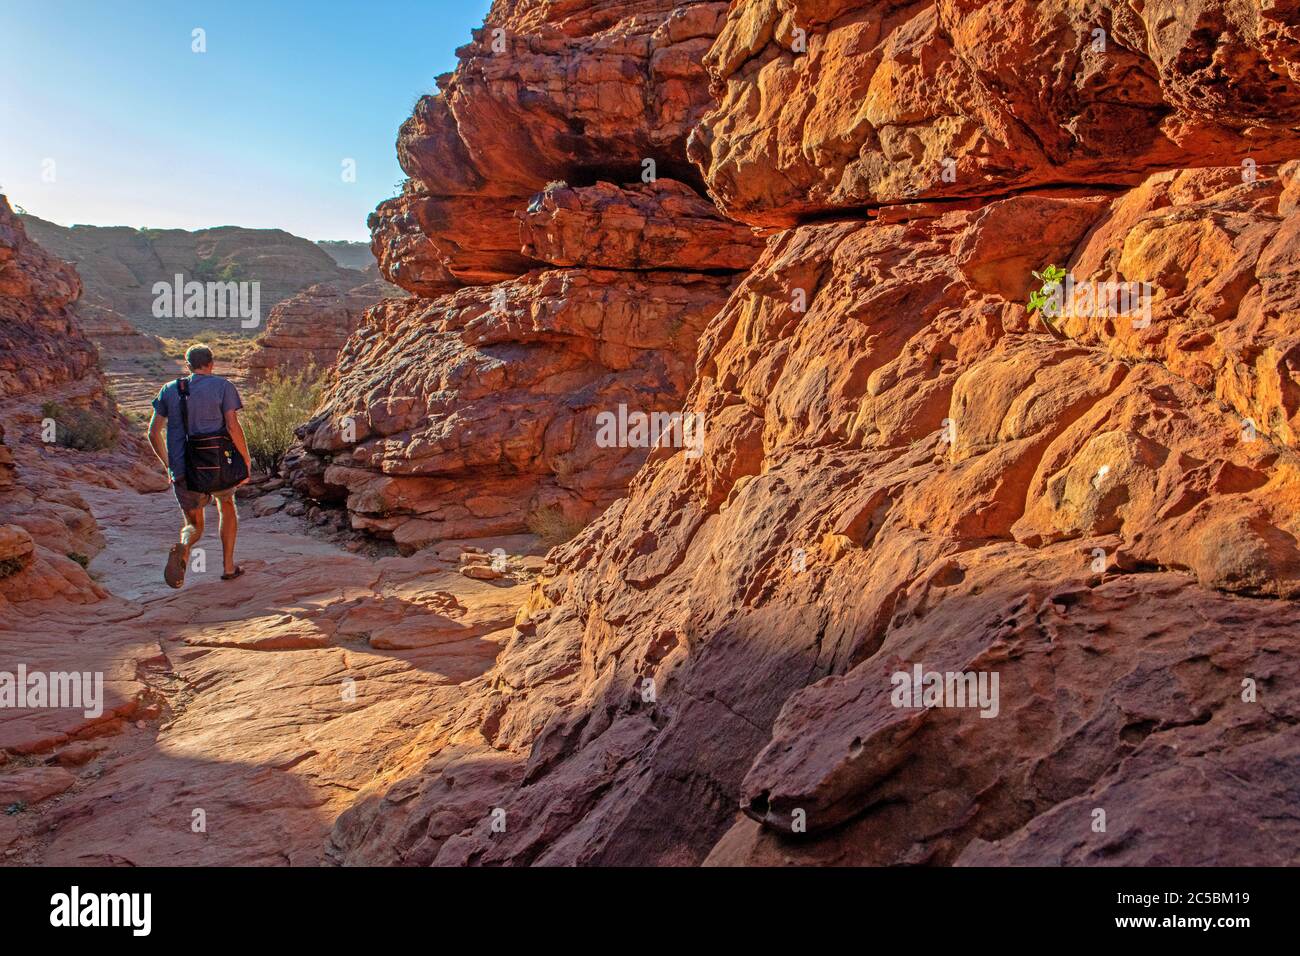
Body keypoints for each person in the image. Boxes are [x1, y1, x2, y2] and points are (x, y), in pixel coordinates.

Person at [147, 343, 251, 587]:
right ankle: (228, 568)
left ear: (188, 366)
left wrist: (169, 465)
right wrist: (245, 458)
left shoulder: (169, 389)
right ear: (211, 363)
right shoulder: (223, 387)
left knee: (194, 525)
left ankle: (184, 546)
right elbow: (232, 426)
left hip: (184, 470)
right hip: (218, 466)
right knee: (226, 505)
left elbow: (153, 433)